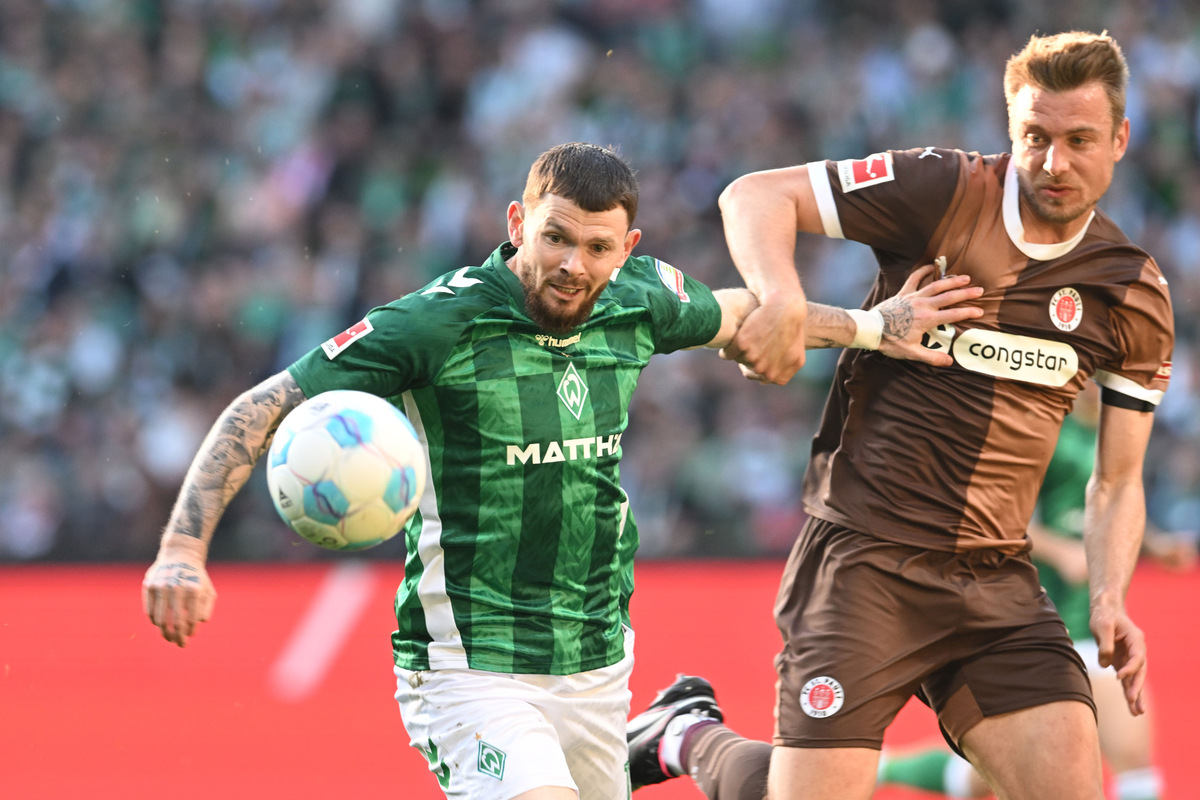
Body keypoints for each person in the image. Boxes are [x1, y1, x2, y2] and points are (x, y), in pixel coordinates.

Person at [141, 142, 983, 800]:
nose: (574, 264)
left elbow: (741, 316)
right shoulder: (436, 324)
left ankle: (661, 736)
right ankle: (666, 739)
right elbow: (262, 405)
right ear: (518, 223)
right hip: (468, 662)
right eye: (555, 238)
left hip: (594, 652)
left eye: (596, 247)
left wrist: (876, 327)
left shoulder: (638, 296)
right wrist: (182, 548)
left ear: (628, 247)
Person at [627, 31, 1175, 800]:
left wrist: (1111, 595)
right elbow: (755, 194)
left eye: (1079, 140)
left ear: (1120, 139)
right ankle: (688, 735)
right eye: (1035, 137)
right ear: (1010, 129)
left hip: (994, 579)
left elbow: (1117, 481)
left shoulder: (1131, 292)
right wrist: (782, 298)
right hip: (865, 562)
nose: (1054, 163)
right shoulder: (945, 190)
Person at [876, 382, 1197, 800]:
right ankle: (884, 767)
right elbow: (997, 513)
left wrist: (1154, 544)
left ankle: (884, 767)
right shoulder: (1048, 433)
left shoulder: (1110, 432)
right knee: (997, 773)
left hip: (1093, 620)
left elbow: (1107, 504)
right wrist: (1061, 552)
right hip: (1043, 619)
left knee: (1134, 764)